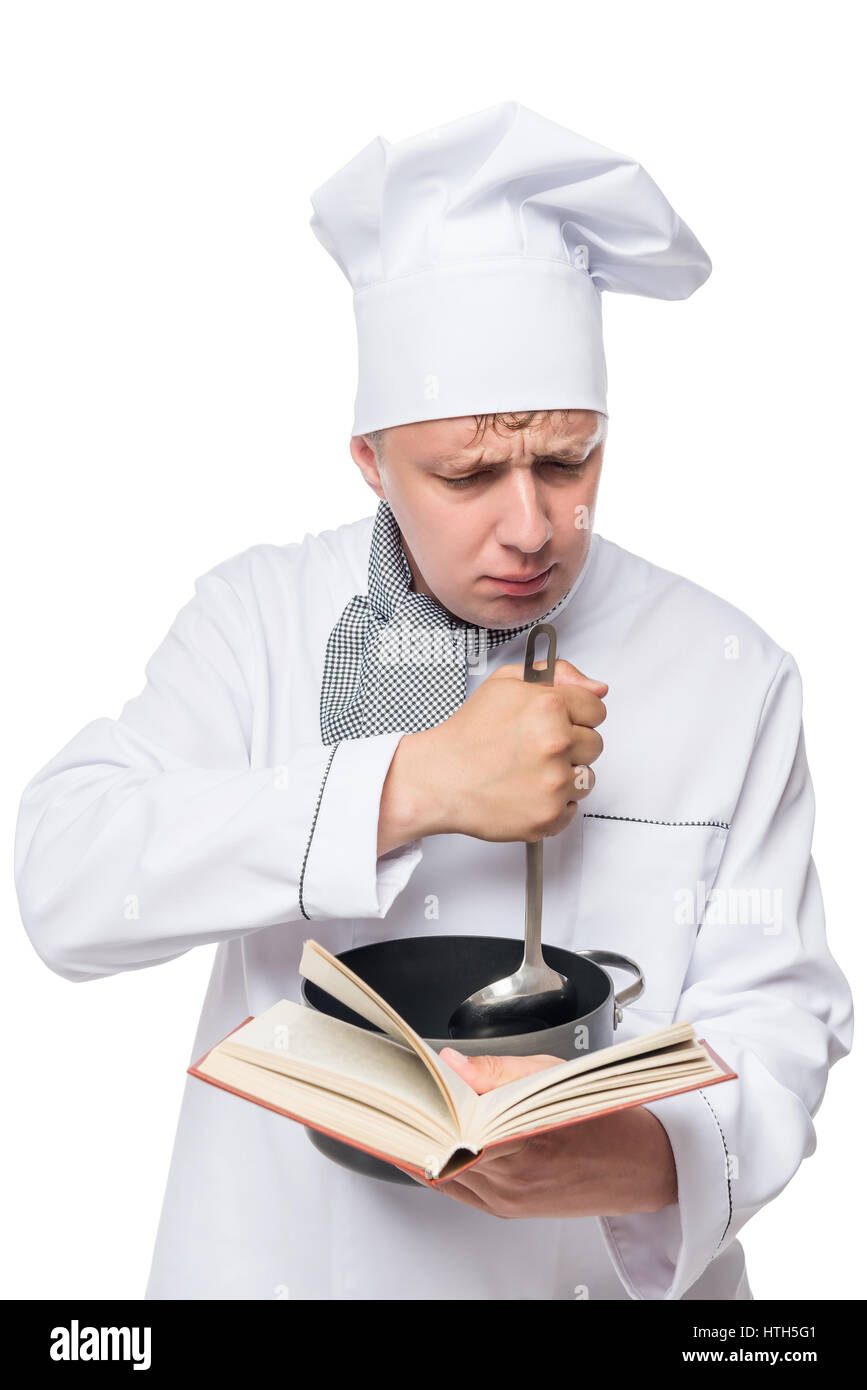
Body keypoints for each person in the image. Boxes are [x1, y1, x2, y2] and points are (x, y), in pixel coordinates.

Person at [14, 101, 853, 1300]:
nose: (530, 526)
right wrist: (408, 787)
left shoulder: (732, 670)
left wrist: (648, 1160)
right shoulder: (259, 622)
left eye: (568, 461)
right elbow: (65, 881)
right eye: (467, 473)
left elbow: (778, 1013)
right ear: (371, 459)